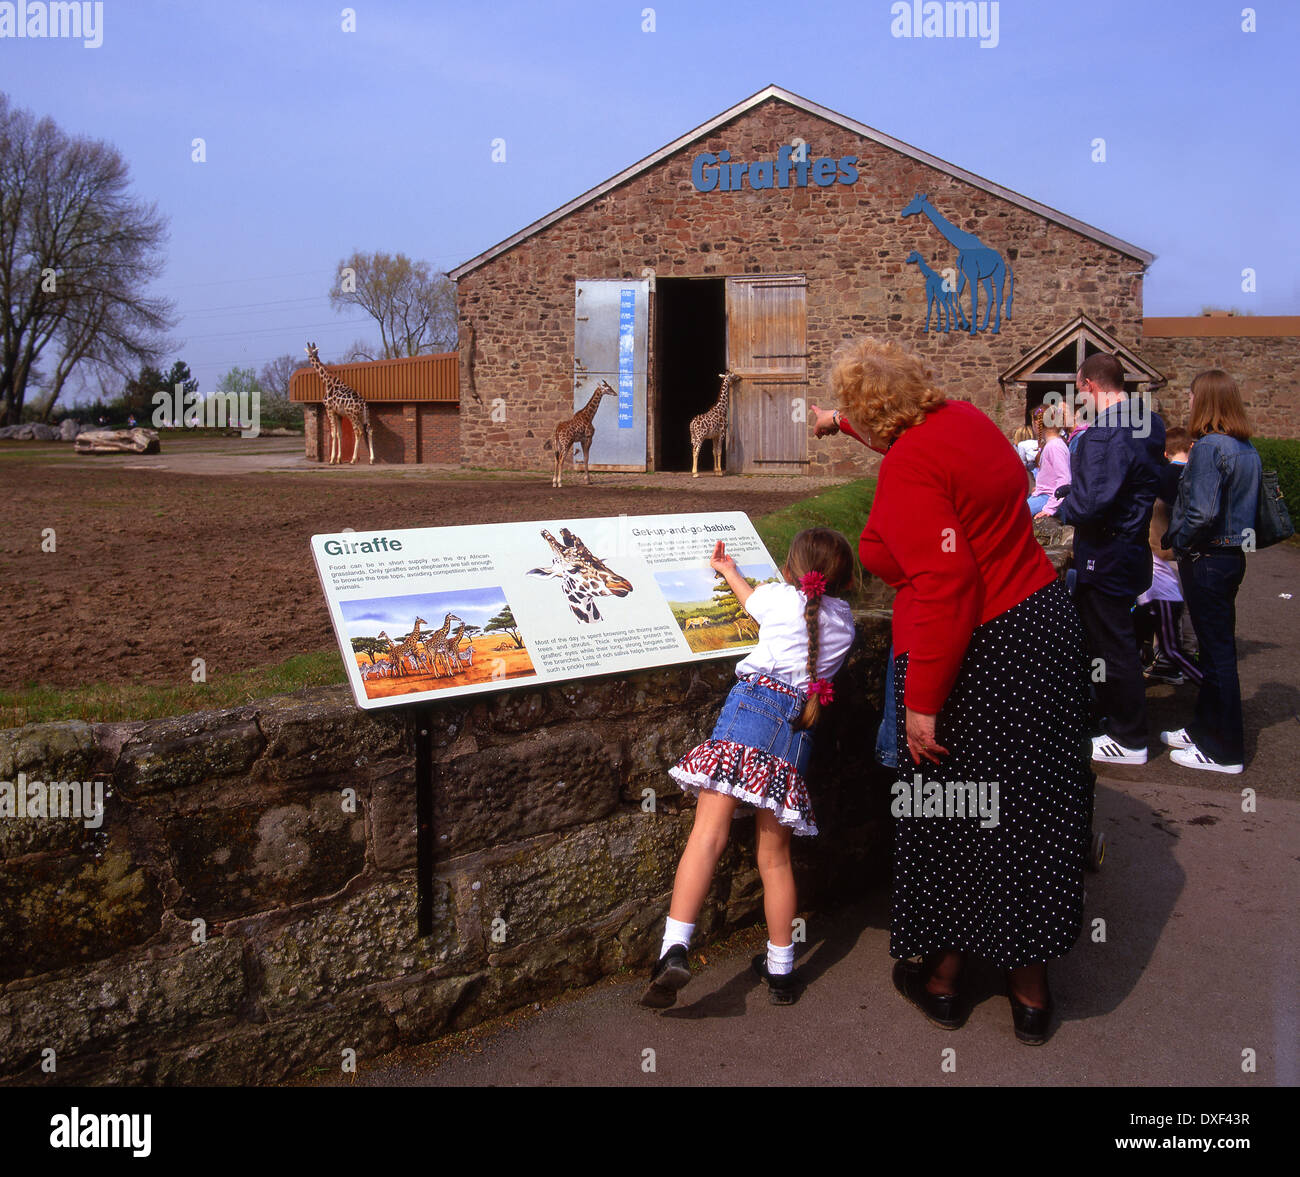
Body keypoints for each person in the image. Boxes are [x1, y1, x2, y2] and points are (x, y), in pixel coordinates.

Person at [812, 338, 1093, 1046]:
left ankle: (942, 978)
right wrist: (842, 427)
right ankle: (1030, 992)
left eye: (853, 412)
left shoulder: (908, 463)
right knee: (1031, 809)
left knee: (948, 809)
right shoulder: (965, 420)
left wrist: (922, 703)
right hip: (1041, 627)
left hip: (976, 652)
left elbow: (946, 582)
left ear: (870, 412)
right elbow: (933, 465)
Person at [641, 528, 856, 1008]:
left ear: (790, 569)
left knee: (708, 835)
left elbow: (750, 601)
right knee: (775, 858)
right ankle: (781, 970)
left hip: (751, 713)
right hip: (799, 731)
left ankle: (674, 949)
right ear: (843, 580)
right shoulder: (844, 623)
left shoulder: (778, 599)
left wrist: (728, 570)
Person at [1054, 353, 1166, 766]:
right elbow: (1122, 483)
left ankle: (1128, 738)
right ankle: (1112, 719)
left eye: (1078, 390)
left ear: (1089, 385)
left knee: (1111, 643)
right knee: (1117, 639)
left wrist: (1063, 507)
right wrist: (1074, 493)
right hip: (1132, 547)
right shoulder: (1149, 421)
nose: (1078, 399)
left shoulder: (1106, 430)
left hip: (1106, 551)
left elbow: (1091, 505)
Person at [1161, 371, 1261, 773]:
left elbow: (1201, 513)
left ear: (1204, 400)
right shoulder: (1245, 447)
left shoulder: (1208, 448)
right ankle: (1204, 728)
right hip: (1231, 557)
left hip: (1207, 558)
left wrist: (1179, 541)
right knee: (1214, 647)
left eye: (1191, 395)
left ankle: (1224, 750)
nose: (1187, 401)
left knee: (1217, 654)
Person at [1137, 427, 1201, 686]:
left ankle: (1170, 660)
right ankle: (1189, 652)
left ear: (1165, 453)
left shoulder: (1160, 478)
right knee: (1187, 608)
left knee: (1166, 610)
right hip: (1186, 550)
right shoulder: (1197, 476)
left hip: (1162, 552)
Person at [1028, 405, 1070, 518]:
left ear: (1037, 423)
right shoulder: (1053, 444)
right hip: (1045, 494)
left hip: (1048, 497)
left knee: (1015, 514)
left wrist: (1050, 508)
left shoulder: (1054, 446)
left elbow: (1064, 479)